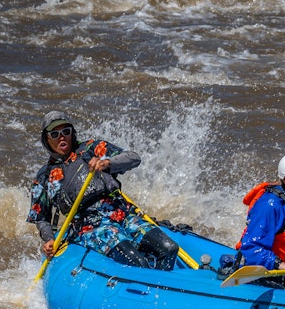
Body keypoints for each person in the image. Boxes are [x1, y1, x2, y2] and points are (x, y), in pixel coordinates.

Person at [27, 111, 179, 271]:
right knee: (138, 263)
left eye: (66, 131)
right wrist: (49, 239)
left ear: (72, 133)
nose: (62, 137)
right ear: (46, 139)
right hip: (90, 226)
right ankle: (149, 288)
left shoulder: (91, 148)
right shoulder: (44, 176)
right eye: (55, 133)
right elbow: (41, 218)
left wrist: (108, 163)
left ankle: (162, 287)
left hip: (123, 214)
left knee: (169, 249)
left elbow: (133, 157)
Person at [227, 151, 285, 293]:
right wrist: (279, 264)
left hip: (280, 273)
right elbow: (251, 247)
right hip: (260, 271)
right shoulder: (269, 205)